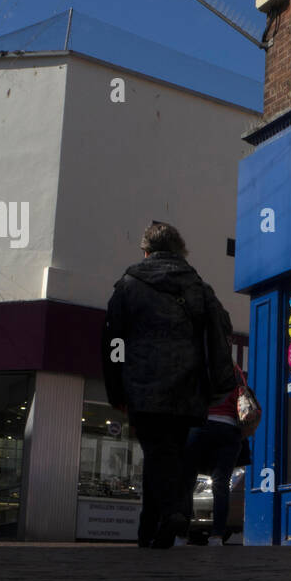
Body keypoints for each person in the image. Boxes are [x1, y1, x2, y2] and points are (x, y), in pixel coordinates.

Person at [101, 221, 234, 549]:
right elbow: (223, 328)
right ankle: (155, 523)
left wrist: (116, 388)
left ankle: (169, 512)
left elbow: (113, 340)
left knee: (157, 450)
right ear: (179, 251)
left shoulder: (129, 285)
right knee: (168, 451)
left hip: (143, 387)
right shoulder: (198, 287)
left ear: (146, 250)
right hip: (187, 388)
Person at [181, 359, 247, 545]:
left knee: (187, 481)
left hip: (201, 424)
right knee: (221, 484)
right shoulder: (235, 370)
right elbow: (243, 397)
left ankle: (181, 534)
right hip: (228, 429)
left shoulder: (200, 365)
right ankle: (217, 536)